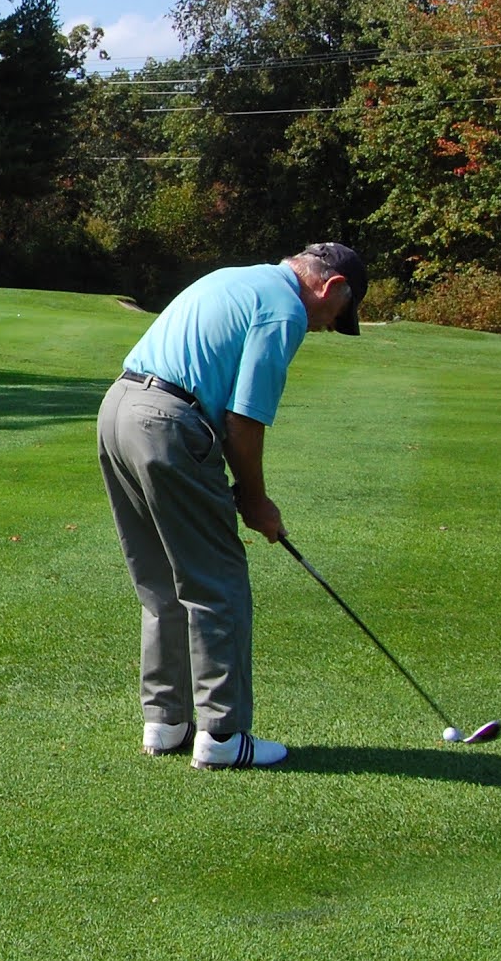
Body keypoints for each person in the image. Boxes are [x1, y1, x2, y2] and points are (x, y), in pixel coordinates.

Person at [96, 242, 366, 770]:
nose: (328, 327)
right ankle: (222, 735)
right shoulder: (285, 309)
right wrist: (256, 501)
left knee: (160, 579)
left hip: (118, 410)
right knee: (217, 581)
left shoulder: (236, 277)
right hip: (169, 422)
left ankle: (166, 722)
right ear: (331, 286)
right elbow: (244, 419)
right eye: (338, 315)